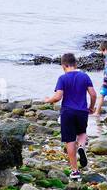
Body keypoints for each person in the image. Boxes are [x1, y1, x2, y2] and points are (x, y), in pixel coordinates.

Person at [41, 52, 97, 180]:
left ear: (63, 66)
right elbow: (93, 94)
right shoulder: (84, 76)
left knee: (70, 141)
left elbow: (58, 97)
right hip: (82, 111)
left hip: (67, 112)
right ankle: (82, 147)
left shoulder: (62, 78)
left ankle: (75, 171)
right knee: (82, 133)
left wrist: (47, 100)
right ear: (75, 64)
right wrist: (91, 107)